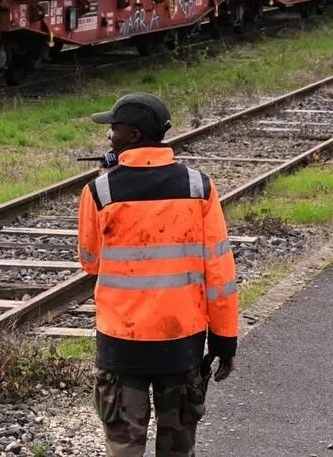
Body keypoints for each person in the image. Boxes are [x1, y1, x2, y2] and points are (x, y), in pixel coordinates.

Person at [77, 92, 239, 457]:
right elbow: (219, 271)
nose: (109, 137)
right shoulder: (199, 188)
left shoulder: (99, 192)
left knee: (124, 445)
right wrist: (225, 340)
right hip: (181, 343)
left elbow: (90, 261)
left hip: (122, 343)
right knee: (178, 447)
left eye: (113, 129)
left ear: (133, 136)